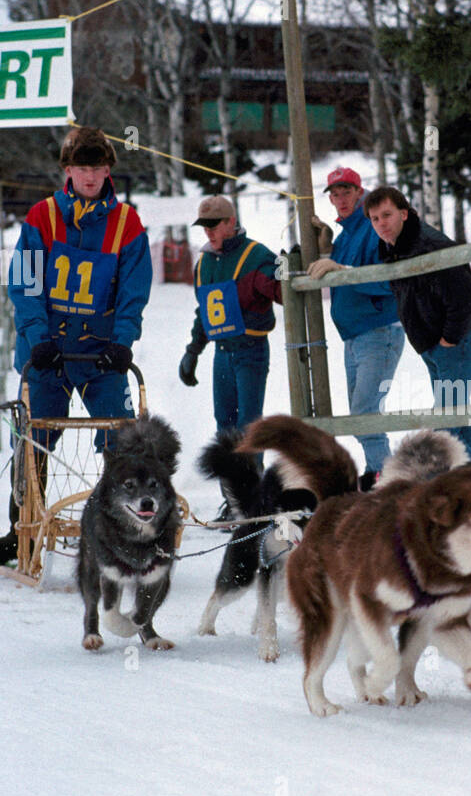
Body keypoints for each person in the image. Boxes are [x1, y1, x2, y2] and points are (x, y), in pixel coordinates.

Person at [0, 126, 153, 564]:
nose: (91, 176)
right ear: (68, 170)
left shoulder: (127, 224)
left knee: (122, 438)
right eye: (83, 168)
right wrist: (36, 338)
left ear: (109, 171)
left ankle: (124, 530)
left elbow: (133, 291)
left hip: (100, 353)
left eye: (99, 168)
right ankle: (21, 529)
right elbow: (26, 284)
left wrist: (123, 342)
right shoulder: (42, 217)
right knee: (33, 439)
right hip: (46, 351)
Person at [364, 185, 471, 455]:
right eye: (375, 219)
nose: (382, 223)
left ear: (404, 214)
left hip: (458, 346)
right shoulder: (394, 248)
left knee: (445, 426)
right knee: (455, 422)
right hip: (434, 348)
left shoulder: (428, 246)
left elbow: (466, 298)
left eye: (387, 215)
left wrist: (449, 339)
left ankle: (446, 484)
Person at [304, 167, 405, 489]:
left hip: (380, 332)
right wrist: (326, 250)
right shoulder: (347, 234)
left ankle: (385, 476)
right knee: (360, 412)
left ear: (360, 193)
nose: (340, 199)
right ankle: (378, 472)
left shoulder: (373, 228)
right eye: (334, 194)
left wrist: (342, 269)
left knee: (365, 410)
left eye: (346, 192)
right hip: (354, 337)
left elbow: (389, 279)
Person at [178, 195, 284, 435]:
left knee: (249, 427)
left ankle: (251, 472)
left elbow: (282, 292)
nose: (208, 231)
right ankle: (227, 473)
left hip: (251, 351)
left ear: (231, 222)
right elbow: (205, 311)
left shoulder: (256, 255)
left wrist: (288, 270)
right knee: (224, 424)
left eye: (214, 225)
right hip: (222, 354)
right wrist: (193, 350)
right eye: (205, 226)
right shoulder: (204, 262)